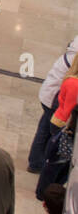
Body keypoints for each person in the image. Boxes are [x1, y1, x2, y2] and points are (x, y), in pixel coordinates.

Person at [29, 36, 78, 174]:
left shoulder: (74, 50)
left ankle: (37, 161)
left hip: (51, 95)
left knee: (44, 129)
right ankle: (37, 162)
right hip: (54, 100)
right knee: (47, 131)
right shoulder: (75, 59)